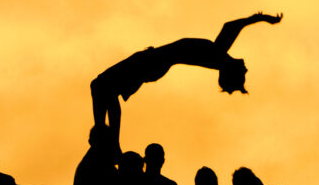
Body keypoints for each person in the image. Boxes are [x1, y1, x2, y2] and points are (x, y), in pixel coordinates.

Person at [89, 12, 281, 134]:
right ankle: (110, 140)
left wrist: (262, 19)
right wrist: (262, 19)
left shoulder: (218, 56)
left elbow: (230, 26)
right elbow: (231, 26)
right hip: (154, 63)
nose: (246, 66)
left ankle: (107, 137)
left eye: (244, 71)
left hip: (153, 62)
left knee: (100, 87)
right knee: (106, 92)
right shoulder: (218, 56)